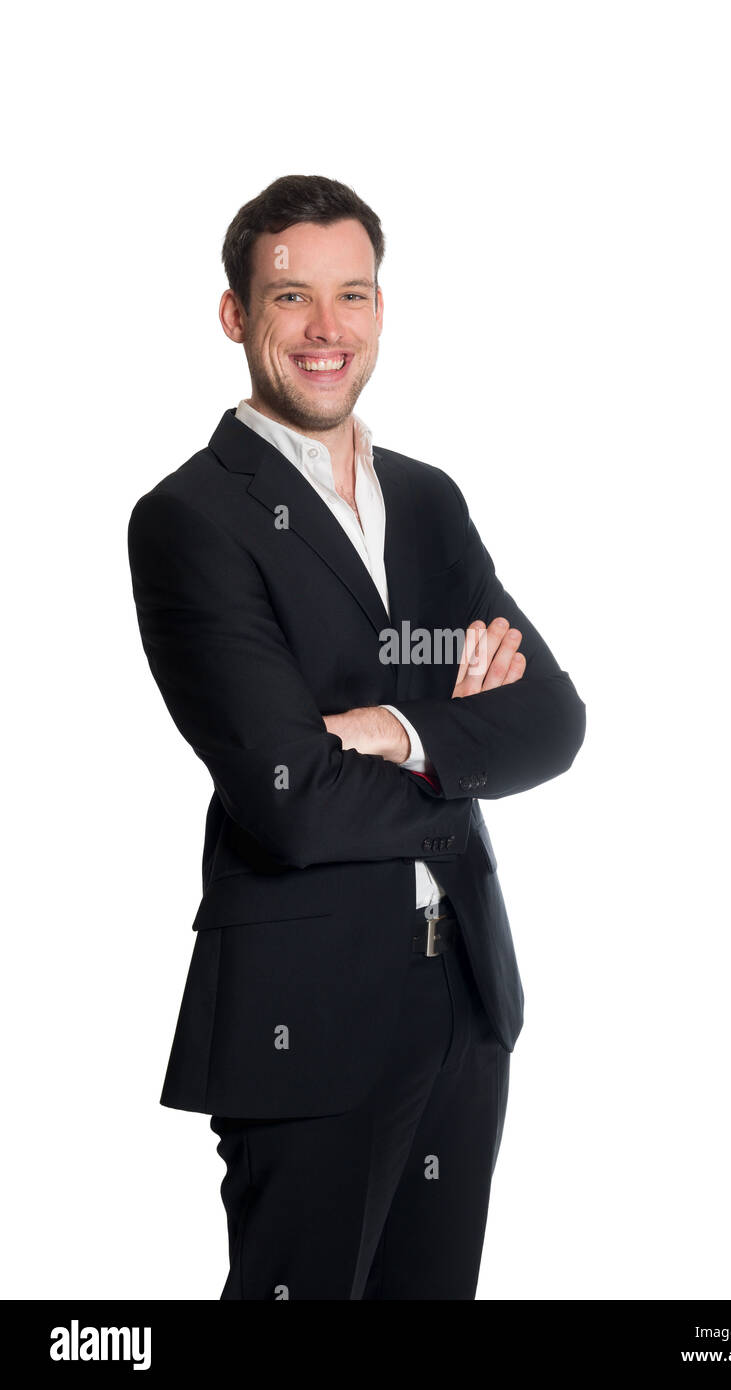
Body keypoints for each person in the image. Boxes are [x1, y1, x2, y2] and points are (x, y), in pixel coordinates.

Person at [127, 174, 586, 1300]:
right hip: (308, 1011)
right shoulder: (193, 518)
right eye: (291, 299)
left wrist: (386, 726)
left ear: (380, 308)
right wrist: (453, 738)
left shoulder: (425, 501)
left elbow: (550, 720)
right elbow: (288, 794)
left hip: (465, 1000)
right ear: (238, 316)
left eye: (353, 295)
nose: (326, 330)